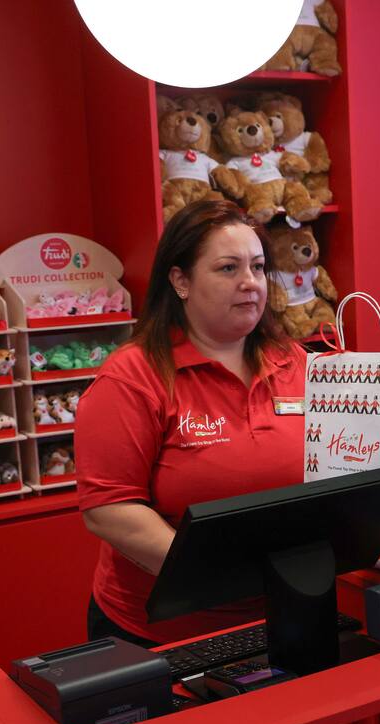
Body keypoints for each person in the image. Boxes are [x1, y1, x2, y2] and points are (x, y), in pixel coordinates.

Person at [76, 200, 307, 646]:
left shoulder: (291, 360)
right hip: (161, 633)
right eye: (227, 269)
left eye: (258, 268)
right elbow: (108, 511)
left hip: (284, 611)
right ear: (180, 280)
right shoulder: (133, 376)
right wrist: (217, 574)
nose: (250, 283)